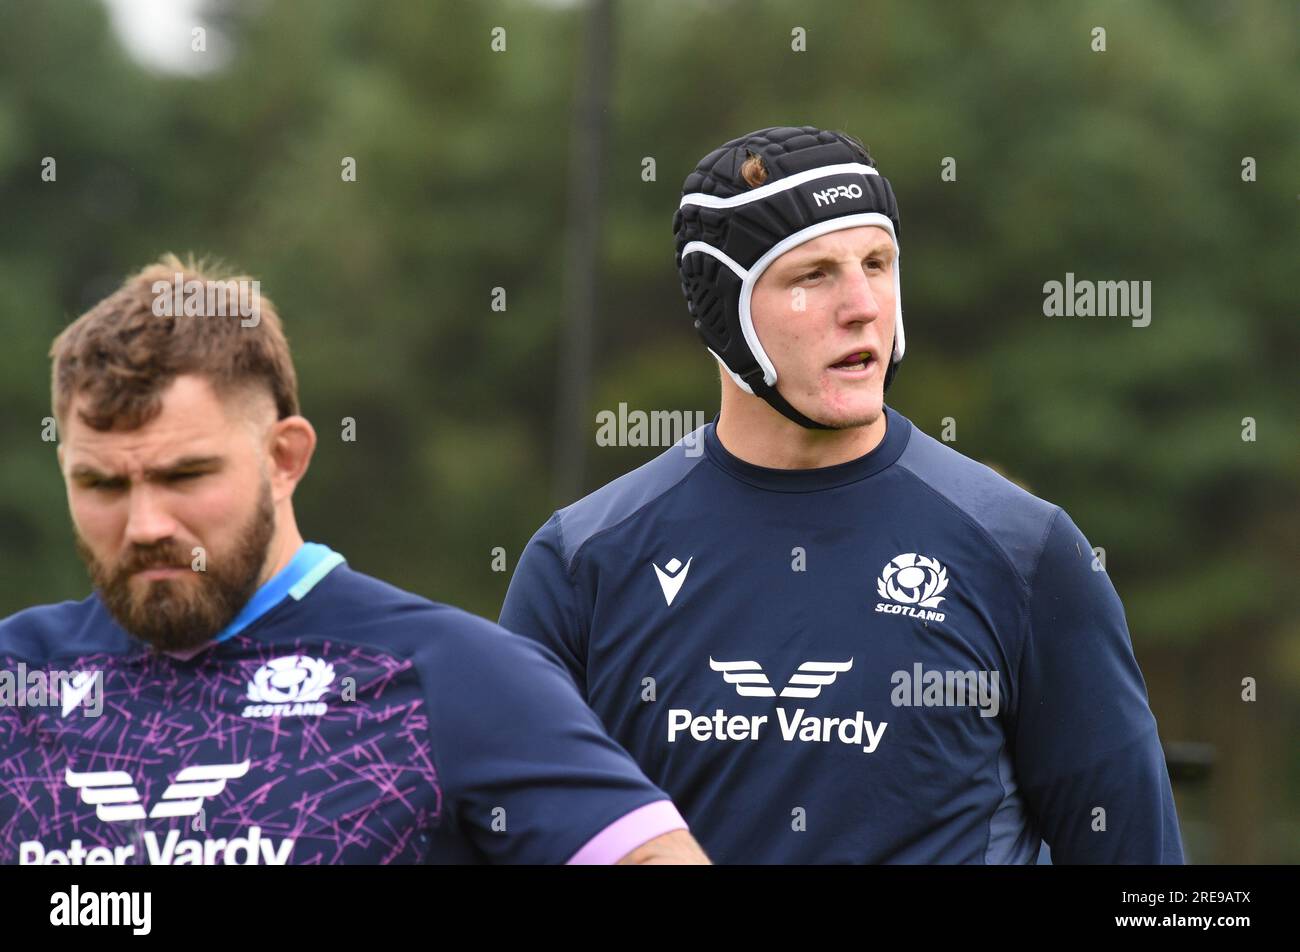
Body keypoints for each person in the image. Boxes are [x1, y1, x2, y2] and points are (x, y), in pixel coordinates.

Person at [500, 125, 1184, 863]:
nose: (863, 304)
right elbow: (505, 837)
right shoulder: (582, 563)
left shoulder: (1026, 551)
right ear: (723, 308)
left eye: (878, 263)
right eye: (814, 275)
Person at [0, 255, 708, 866]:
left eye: (185, 476)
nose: (145, 524)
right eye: (101, 484)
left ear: (284, 457)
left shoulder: (446, 674)